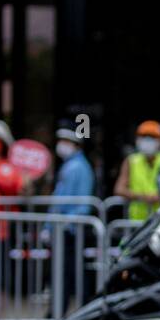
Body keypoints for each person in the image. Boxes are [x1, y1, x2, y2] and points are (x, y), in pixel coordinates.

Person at [50, 122, 96, 308]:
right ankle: (58, 316)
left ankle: (62, 317)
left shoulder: (77, 167)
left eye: (65, 141)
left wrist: (57, 225)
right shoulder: (72, 165)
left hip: (71, 230)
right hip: (67, 228)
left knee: (71, 275)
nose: (61, 145)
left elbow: (79, 204)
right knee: (68, 276)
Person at [113, 120, 160, 222]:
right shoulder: (131, 161)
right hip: (136, 223)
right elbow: (119, 189)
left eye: (153, 137)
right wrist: (144, 197)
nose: (147, 140)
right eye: (143, 136)